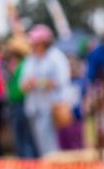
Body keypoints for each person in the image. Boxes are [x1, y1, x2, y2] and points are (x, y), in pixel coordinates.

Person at [20, 25, 71, 157]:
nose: (33, 45)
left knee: (52, 146)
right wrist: (29, 84)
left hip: (53, 108)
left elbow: (61, 81)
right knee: (40, 146)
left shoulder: (56, 57)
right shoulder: (30, 59)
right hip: (34, 108)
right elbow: (23, 83)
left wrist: (38, 82)